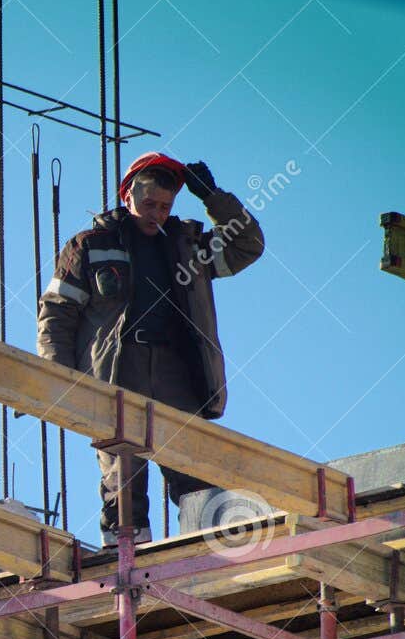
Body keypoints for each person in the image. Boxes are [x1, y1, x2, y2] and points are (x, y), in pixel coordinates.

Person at [36, 153, 265, 544]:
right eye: (149, 204)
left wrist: (212, 197)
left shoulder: (188, 246)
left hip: (178, 373)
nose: (157, 214)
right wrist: (57, 379)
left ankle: (207, 556)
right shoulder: (89, 246)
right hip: (117, 373)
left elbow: (247, 244)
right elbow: (57, 313)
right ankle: (128, 560)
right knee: (123, 475)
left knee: (193, 466)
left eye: (165, 206)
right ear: (127, 196)